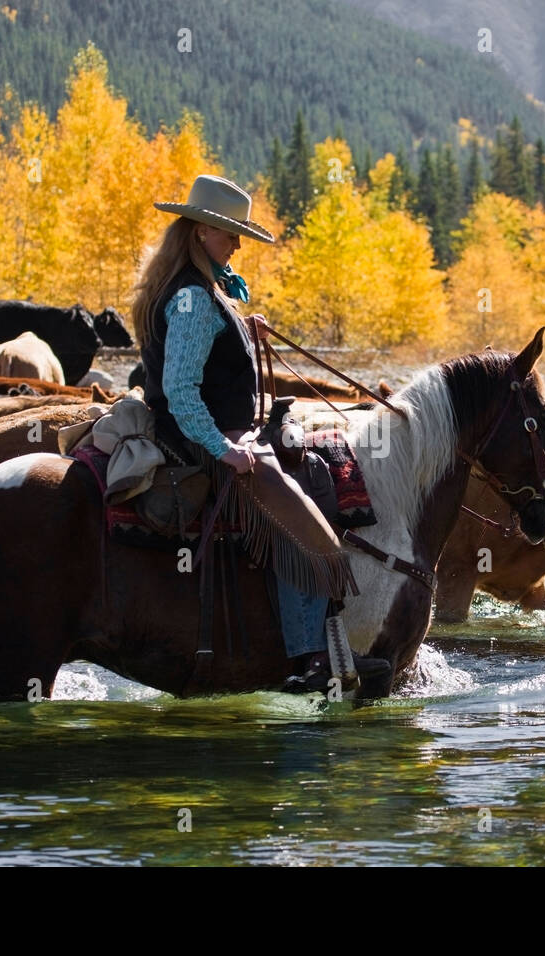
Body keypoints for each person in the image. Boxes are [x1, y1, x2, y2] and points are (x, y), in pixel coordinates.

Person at [131, 174, 389, 693]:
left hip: (210, 430)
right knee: (298, 527)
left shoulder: (199, 289)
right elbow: (181, 390)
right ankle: (310, 658)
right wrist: (223, 449)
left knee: (313, 468)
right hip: (197, 438)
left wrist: (244, 332)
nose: (237, 243)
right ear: (202, 232)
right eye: (230, 233)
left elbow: (202, 360)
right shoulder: (192, 298)